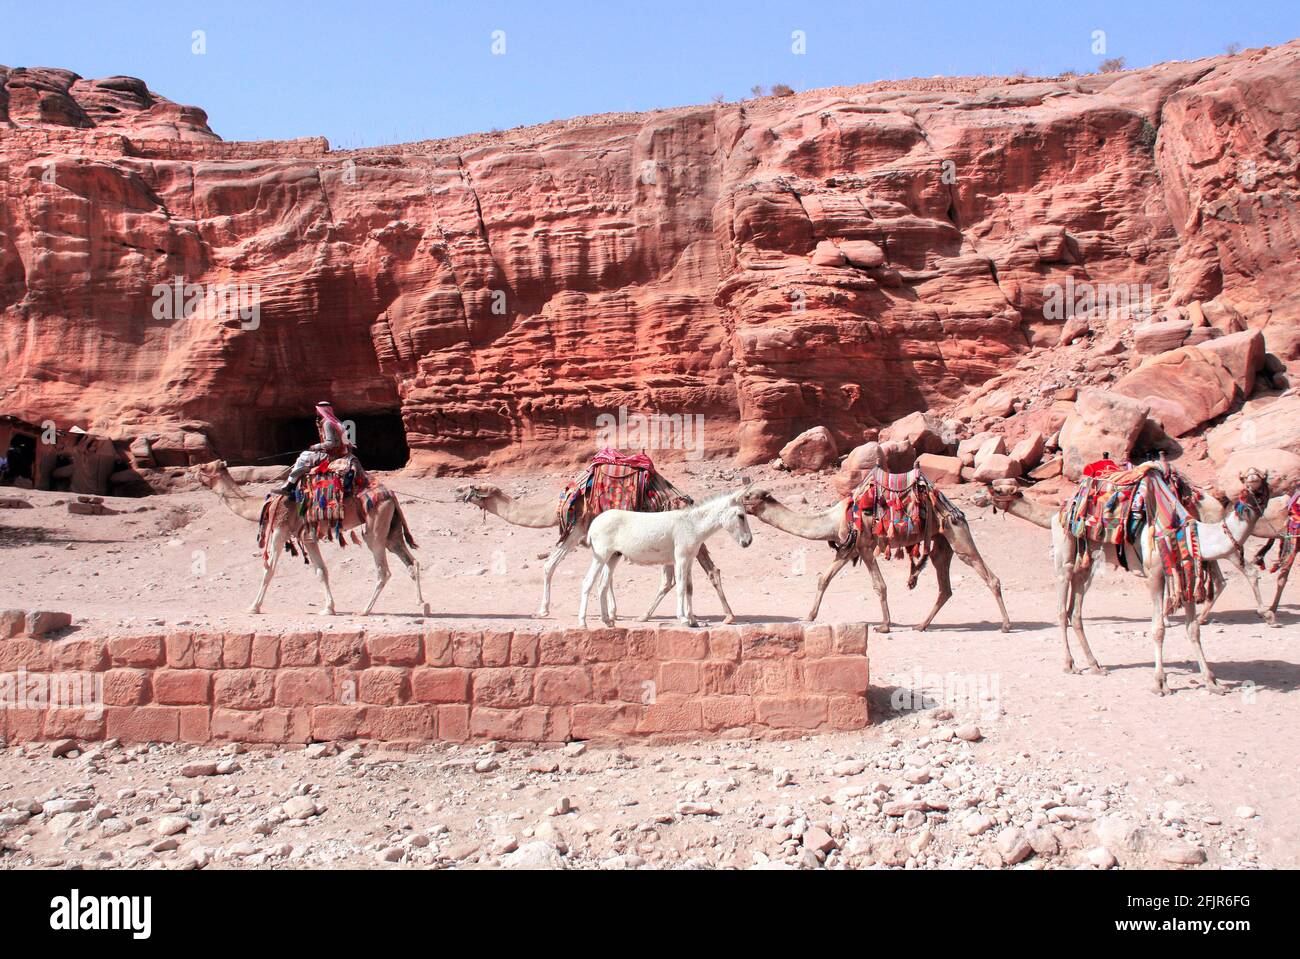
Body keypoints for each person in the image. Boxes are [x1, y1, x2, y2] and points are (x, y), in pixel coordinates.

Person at [279, 402, 351, 496]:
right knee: (308, 456)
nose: (316, 411)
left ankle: (290, 485)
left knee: (303, 456)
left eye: (317, 409)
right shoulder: (338, 423)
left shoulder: (328, 423)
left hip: (332, 456)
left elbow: (330, 443)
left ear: (321, 411)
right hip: (342, 454)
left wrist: (315, 447)